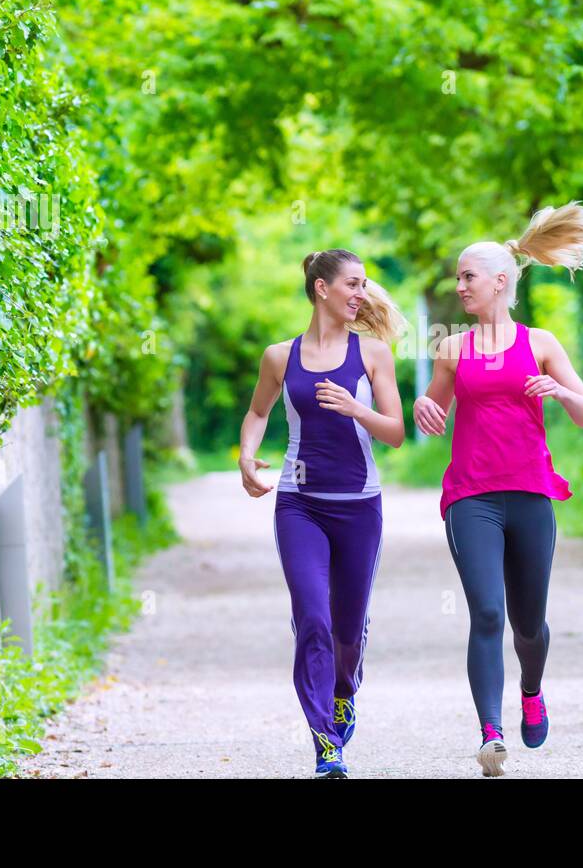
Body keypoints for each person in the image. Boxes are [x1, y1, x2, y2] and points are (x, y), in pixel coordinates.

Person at [413, 202, 583, 777]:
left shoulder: (540, 343)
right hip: (470, 497)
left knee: (528, 622)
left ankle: (532, 687)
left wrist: (561, 392)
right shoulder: (451, 349)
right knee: (488, 613)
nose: (460, 285)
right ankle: (490, 733)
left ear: (500, 282)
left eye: (468, 276)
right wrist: (425, 404)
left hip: (529, 496)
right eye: (457, 277)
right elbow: (434, 407)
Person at [238, 248, 406, 778]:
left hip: (359, 507)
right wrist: (245, 456)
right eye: (353, 284)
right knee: (312, 617)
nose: (362, 294)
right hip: (299, 505)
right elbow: (258, 411)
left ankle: (343, 691)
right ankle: (324, 743)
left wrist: (357, 408)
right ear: (322, 289)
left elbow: (398, 434)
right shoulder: (278, 356)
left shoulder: (374, 354)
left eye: (364, 285)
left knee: (347, 631)